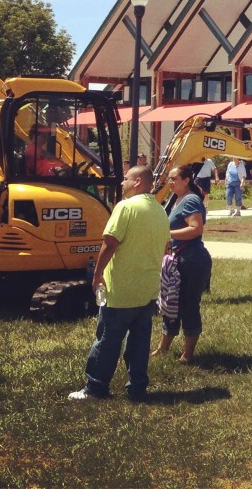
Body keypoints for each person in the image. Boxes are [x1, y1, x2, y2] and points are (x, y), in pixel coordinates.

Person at [68, 165, 169, 402]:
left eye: (125, 179)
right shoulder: (159, 210)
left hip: (121, 289)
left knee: (107, 339)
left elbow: (110, 243)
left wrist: (97, 274)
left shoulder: (125, 207)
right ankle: (137, 387)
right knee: (140, 341)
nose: (122, 183)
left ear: (137, 182)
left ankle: (95, 387)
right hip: (147, 288)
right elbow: (166, 247)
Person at [150, 166, 212, 363]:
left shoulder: (190, 200)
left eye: (174, 178)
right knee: (170, 303)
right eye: (169, 178)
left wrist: (166, 234)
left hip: (191, 260)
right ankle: (163, 348)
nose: (170, 182)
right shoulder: (177, 199)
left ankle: (188, 354)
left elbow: (196, 229)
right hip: (178, 259)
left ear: (186, 180)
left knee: (188, 305)